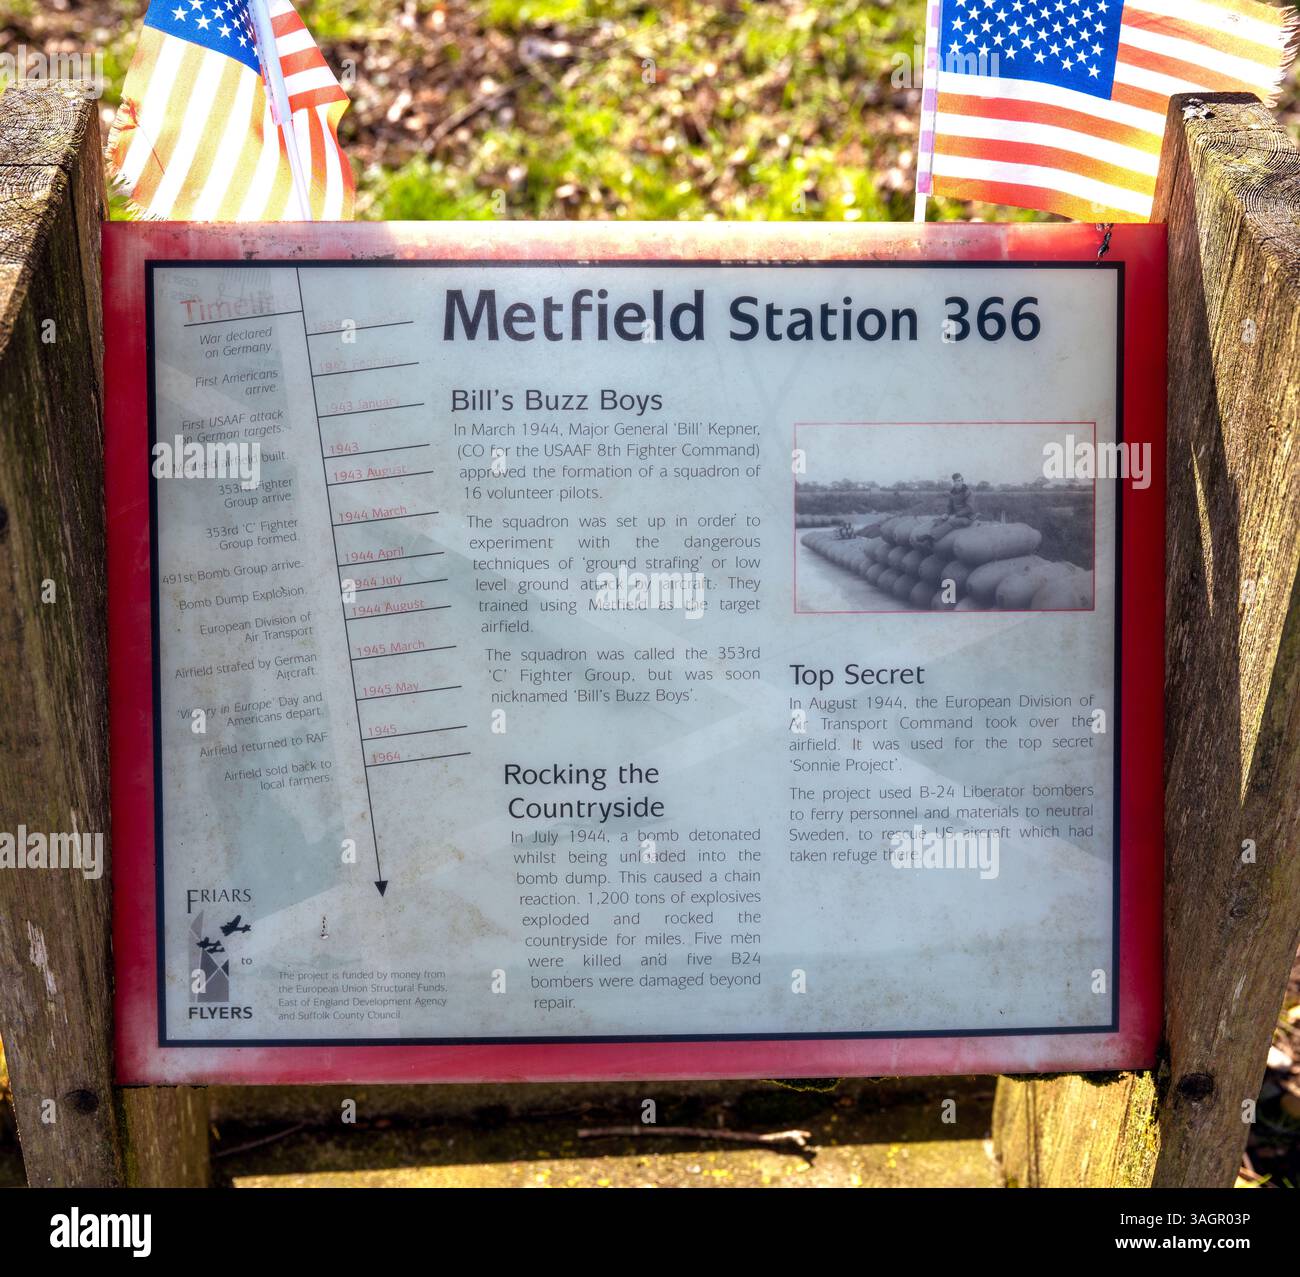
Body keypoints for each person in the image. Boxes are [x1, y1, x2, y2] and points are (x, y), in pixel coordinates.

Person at [918, 473, 976, 548]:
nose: (957, 483)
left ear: (962, 481)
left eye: (959, 480)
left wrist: (956, 515)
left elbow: (969, 508)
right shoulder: (953, 493)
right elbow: (949, 507)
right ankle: (930, 541)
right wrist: (946, 514)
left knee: (951, 522)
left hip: (967, 518)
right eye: (955, 481)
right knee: (939, 520)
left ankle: (931, 537)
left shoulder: (968, 492)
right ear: (953, 482)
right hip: (957, 516)